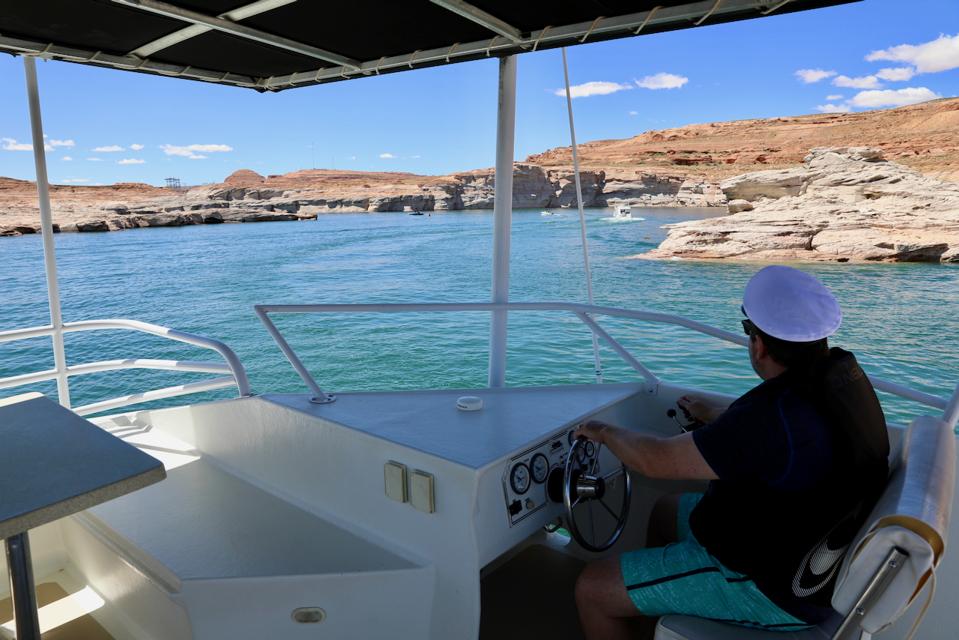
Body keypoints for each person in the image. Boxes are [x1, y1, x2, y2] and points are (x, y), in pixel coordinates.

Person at [573, 265, 890, 640]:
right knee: (664, 512)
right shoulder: (839, 381)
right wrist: (717, 416)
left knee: (592, 589)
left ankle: (649, 597)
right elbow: (782, 437)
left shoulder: (769, 417)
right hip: (806, 554)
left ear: (758, 344)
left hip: (768, 585)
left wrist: (603, 431)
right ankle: (652, 605)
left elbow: (654, 460)